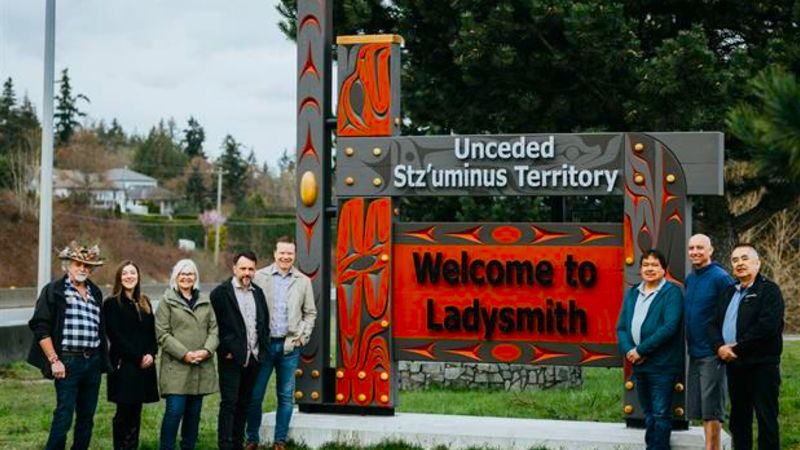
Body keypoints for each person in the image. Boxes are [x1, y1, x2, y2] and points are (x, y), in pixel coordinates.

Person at [27, 241, 110, 450]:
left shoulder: (95, 292)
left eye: (86, 266)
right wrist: (54, 360)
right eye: (77, 264)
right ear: (68, 266)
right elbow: (40, 327)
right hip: (67, 361)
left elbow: (100, 328)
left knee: (87, 416)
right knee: (64, 414)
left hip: (92, 361)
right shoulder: (54, 290)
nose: (82, 269)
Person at [709, 243, 784, 450]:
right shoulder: (728, 292)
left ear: (757, 263)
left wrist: (736, 349)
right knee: (739, 420)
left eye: (744, 258)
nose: (739, 263)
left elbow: (766, 327)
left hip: (762, 366)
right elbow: (713, 324)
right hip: (735, 366)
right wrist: (719, 347)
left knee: (766, 420)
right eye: (735, 260)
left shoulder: (769, 291)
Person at [247, 236, 317, 450]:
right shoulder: (259, 277)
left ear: (294, 255)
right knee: (255, 395)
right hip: (264, 346)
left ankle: (280, 441)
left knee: (286, 397)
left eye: (289, 253)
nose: (285, 257)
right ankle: (252, 439)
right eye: (282, 253)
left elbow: (310, 313)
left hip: (289, 347)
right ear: (275, 254)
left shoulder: (303, 281)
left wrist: (302, 337)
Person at [616, 249, 684, 450]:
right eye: (646, 265)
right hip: (639, 365)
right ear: (640, 269)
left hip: (662, 365)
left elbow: (669, 327)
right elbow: (621, 328)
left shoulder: (671, 293)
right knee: (648, 413)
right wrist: (629, 351)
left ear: (663, 269)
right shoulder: (632, 293)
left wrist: (641, 350)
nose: (650, 269)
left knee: (661, 414)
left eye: (655, 265)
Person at [155, 259, 218, 450]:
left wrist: (206, 351)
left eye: (190, 274)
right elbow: (162, 334)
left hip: (200, 366)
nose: (186, 277)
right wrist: (185, 354)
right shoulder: (167, 301)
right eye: (182, 274)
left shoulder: (205, 301)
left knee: (193, 414)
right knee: (174, 412)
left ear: (195, 277)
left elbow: (214, 329)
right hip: (176, 368)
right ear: (176, 277)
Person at [211, 251, 270, 450]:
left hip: (253, 358)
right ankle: (225, 445)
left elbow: (263, 323)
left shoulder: (258, 293)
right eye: (243, 268)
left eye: (251, 269)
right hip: (231, 358)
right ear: (234, 268)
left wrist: (262, 351)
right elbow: (213, 326)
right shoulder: (220, 293)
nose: (247, 273)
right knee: (229, 403)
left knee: (244, 403)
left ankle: (238, 443)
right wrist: (225, 350)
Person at [685, 234, 734, 450]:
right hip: (695, 352)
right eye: (691, 248)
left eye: (700, 248)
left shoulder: (721, 278)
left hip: (713, 353)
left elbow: (732, 313)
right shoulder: (691, 278)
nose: (695, 252)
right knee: (704, 411)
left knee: (713, 411)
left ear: (711, 250)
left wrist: (724, 345)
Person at [103, 260, 159, 449]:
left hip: (144, 366)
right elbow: (115, 336)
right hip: (124, 366)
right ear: (119, 277)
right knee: (124, 412)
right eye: (125, 273)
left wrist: (151, 354)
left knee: (136, 411)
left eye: (133, 273)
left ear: (138, 277)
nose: (129, 276)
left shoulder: (144, 302)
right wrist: (138, 357)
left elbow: (152, 333)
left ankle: (131, 446)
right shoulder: (111, 304)